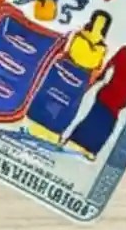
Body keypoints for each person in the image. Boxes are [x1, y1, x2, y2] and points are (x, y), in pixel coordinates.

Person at [26, 9, 111, 144]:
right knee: (49, 94)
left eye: (103, 22)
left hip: (82, 76)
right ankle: (34, 122)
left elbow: (97, 67)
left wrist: (90, 82)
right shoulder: (79, 34)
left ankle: (54, 131)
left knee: (67, 105)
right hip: (65, 67)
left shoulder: (103, 47)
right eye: (98, 20)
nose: (99, 24)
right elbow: (66, 49)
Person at [65, 30, 126, 161]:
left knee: (106, 125)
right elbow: (110, 64)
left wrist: (125, 98)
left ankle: (91, 149)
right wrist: (98, 78)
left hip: (120, 98)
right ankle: (75, 141)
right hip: (108, 92)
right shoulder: (124, 51)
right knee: (93, 116)